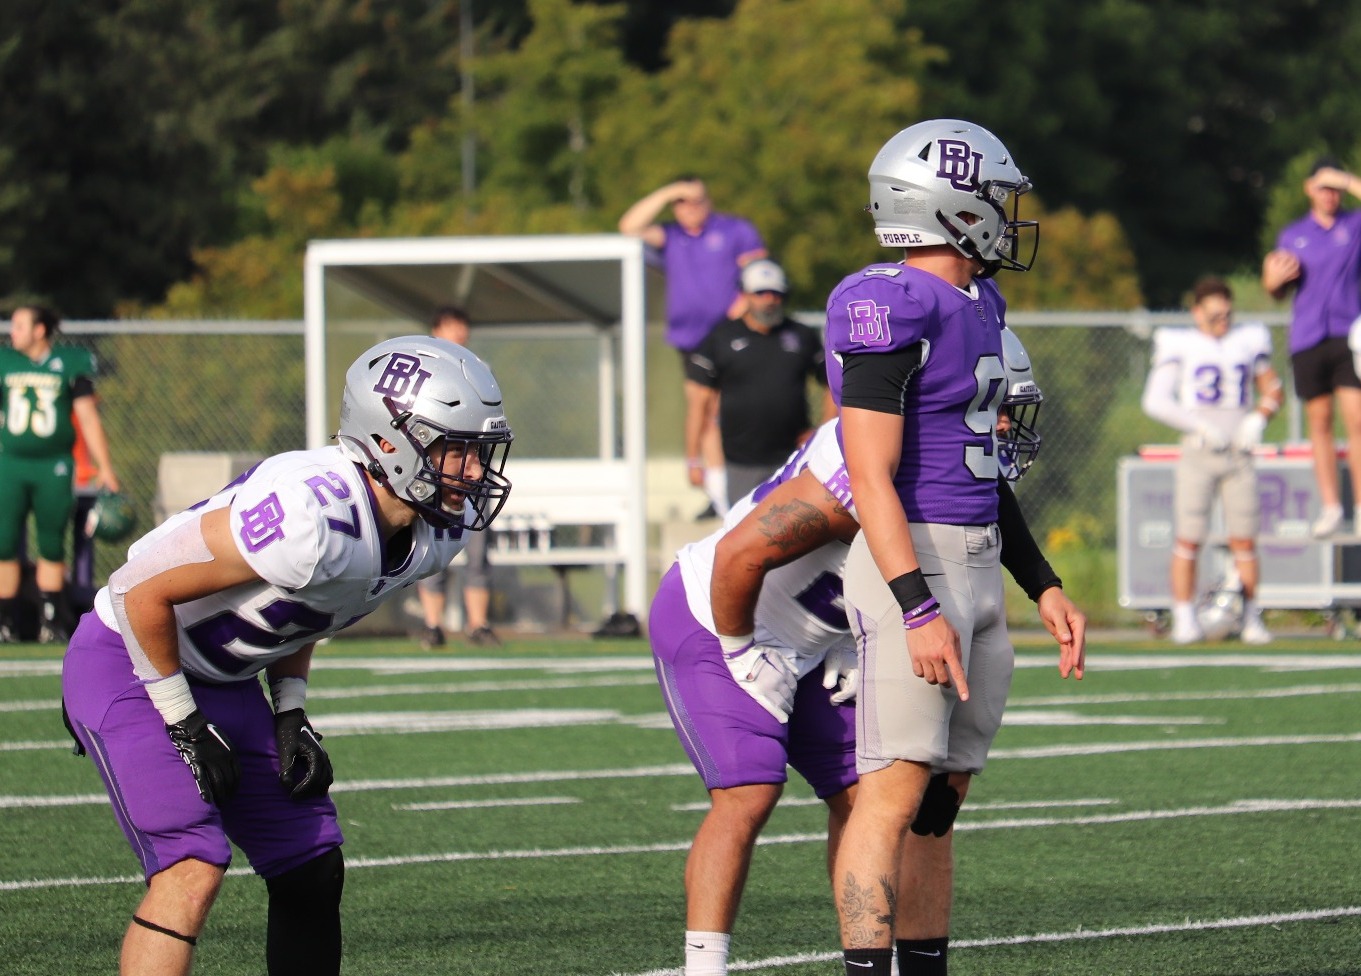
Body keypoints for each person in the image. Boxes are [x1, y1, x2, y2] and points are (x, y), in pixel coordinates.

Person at [60, 336, 513, 975]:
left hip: (225, 674)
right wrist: (183, 722)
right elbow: (137, 590)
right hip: (130, 659)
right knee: (192, 865)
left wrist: (290, 711)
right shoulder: (309, 512)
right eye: (454, 450)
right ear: (389, 441)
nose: (471, 472)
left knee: (311, 864)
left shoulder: (434, 529)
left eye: (477, 452)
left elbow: (314, 608)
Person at [650, 330, 1085, 976]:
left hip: (816, 639)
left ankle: (875, 962)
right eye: (988, 400)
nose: (998, 421)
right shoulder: (854, 468)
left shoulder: (942, 459)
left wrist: (1044, 586)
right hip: (717, 617)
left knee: (876, 797)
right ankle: (702, 970)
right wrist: (743, 653)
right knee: (748, 792)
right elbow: (740, 557)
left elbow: (995, 501)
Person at [824, 119, 1083, 976]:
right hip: (915, 561)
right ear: (951, 206)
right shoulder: (883, 300)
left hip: (973, 555)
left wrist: (1041, 582)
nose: (1007, 218)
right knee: (891, 793)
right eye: (996, 200)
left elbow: (981, 468)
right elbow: (869, 479)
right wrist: (918, 605)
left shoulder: (981, 300)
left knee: (940, 801)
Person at [1141, 277, 1281, 644]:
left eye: (1227, 314)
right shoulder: (1182, 343)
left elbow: (1274, 389)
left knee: (1245, 540)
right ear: (1197, 312)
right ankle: (1184, 616)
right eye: (1215, 314)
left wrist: (1259, 417)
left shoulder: (1246, 340)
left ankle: (1251, 617)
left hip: (1239, 451)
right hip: (1199, 450)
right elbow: (1155, 400)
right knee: (1189, 537)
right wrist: (1199, 425)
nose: (1222, 320)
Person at [619, 176, 767, 515]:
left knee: (731, 410)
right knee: (703, 411)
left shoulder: (734, 230)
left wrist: (738, 311)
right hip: (692, 340)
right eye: (682, 202)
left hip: (733, 336)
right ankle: (720, 495)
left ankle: (745, 486)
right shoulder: (671, 236)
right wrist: (669, 190)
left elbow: (758, 271)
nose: (691, 208)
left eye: (697, 200)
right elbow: (629, 226)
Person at [0, 305, 120, 643]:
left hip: (53, 465)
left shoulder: (68, 363)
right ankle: (5, 621)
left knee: (52, 542)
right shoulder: (5, 363)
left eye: (21, 325)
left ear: (40, 330)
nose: (13, 332)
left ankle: (50, 621)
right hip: (10, 463)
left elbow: (87, 418)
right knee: (4, 542)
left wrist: (105, 467)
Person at [1261, 155, 1361, 538]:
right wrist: (1272, 280)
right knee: (1319, 422)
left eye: (1335, 188)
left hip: (1347, 333)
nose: (1330, 195)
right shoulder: (1293, 234)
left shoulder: (1353, 226)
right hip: (1308, 336)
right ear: (1309, 190)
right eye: (1323, 187)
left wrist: (1347, 178)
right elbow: (1277, 290)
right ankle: (1332, 506)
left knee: (1356, 420)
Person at [683, 258, 830, 508]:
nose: (769, 299)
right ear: (745, 295)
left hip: (794, 458)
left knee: (792, 531)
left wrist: (822, 432)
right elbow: (700, 404)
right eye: (760, 293)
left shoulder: (801, 336)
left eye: (776, 293)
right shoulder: (721, 337)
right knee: (742, 530)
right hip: (740, 461)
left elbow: (834, 384)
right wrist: (693, 459)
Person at [416, 305, 501, 648]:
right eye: (453, 326)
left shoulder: (479, 369)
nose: (460, 332)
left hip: (471, 467)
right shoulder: (424, 368)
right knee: (431, 543)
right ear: (437, 329)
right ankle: (433, 624)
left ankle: (477, 624)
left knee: (477, 548)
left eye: (462, 326)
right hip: (438, 467)